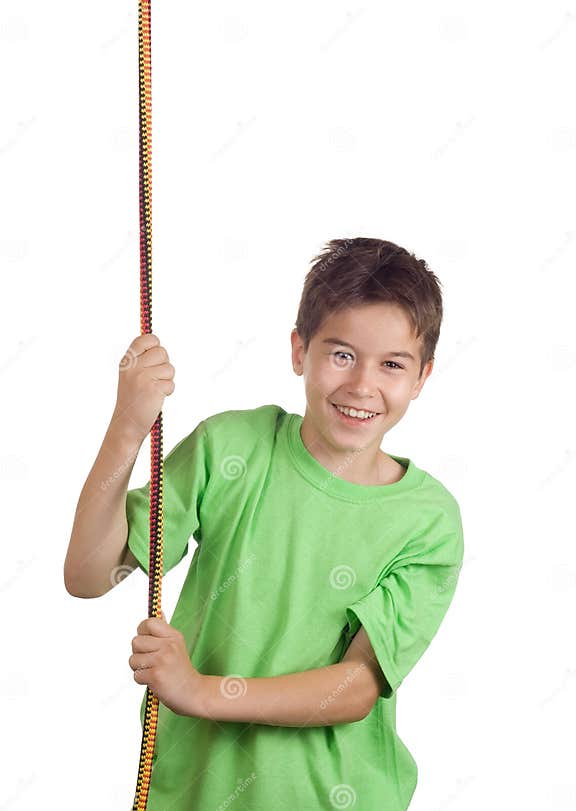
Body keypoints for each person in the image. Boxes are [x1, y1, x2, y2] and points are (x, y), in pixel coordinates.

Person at [64, 237, 464, 810]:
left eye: (392, 365)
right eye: (342, 354)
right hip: (198, 793)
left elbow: (354, 688)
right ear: (300, 350)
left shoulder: (429, 522)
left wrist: (201, 691)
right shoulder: (230, 449)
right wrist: (128, 425)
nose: (361, 386)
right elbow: (89, 574)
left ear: (421, 378)